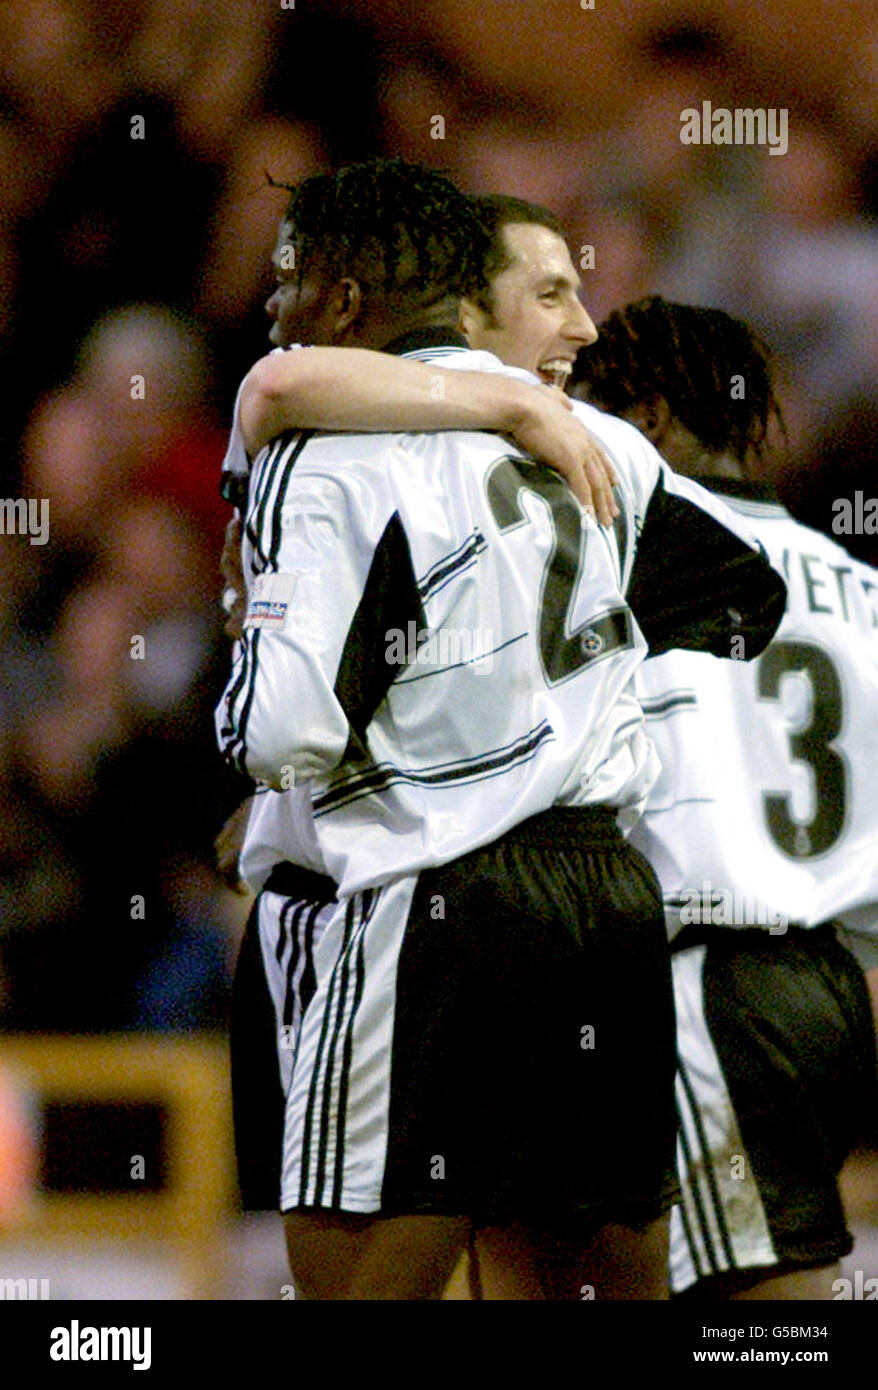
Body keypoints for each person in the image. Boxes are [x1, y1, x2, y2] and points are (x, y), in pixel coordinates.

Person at [217, 168, 786, 1299]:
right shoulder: (604, 447)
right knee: (599, 1285)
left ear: (340, 301)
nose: (267, 304)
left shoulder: (320, 451)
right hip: (604, 902)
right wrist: (562, 674)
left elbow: (282, 727)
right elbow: (744, 601)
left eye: (288, 285)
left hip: (431, 895)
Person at [571, 295, 878, 1300]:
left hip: (711, 985)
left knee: (761, 1315)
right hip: (834, 985)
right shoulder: (857, 584)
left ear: (647, 419)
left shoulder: (624, 564)